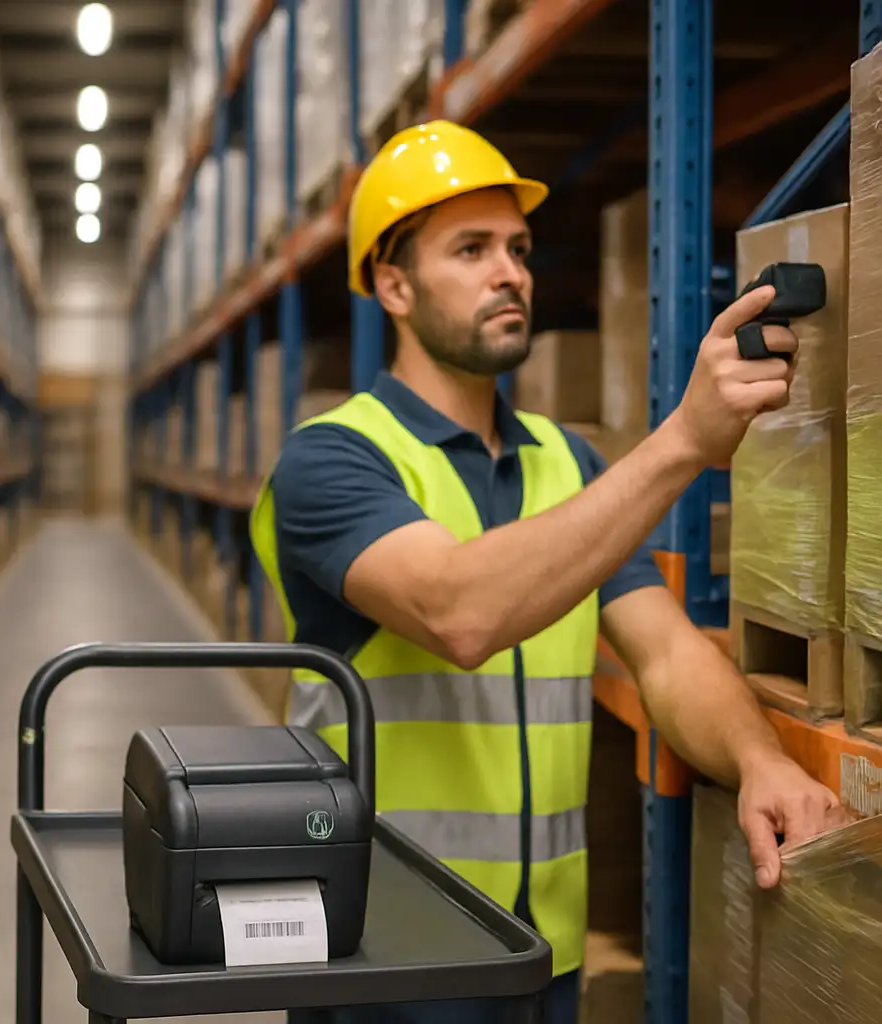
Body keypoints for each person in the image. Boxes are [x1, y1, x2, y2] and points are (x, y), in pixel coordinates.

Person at [250, 120, 847, 1024]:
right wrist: (683, 442)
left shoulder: (567, 467)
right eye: (472, 249)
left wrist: (760, 761)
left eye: (520, 250)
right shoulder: (332, 462)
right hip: (382, 952)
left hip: (537, 956)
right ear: (393, 284)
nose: (511, 273)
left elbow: (667, 655)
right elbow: (459, 612)